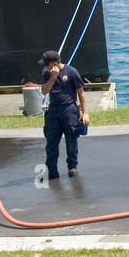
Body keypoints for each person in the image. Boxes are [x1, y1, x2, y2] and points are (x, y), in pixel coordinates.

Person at [39, 50, 89, 179]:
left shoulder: (71, 72)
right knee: (51, 141)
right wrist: (53, 77)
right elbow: (44, 91)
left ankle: (72, 166)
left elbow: (81, 93)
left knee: (71, 139)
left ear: (55, 63)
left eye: (47, 64)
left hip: (69, 109)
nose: (45, 67)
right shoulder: (47, 73)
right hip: (54, 109)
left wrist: (85, 113)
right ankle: (52, 169)